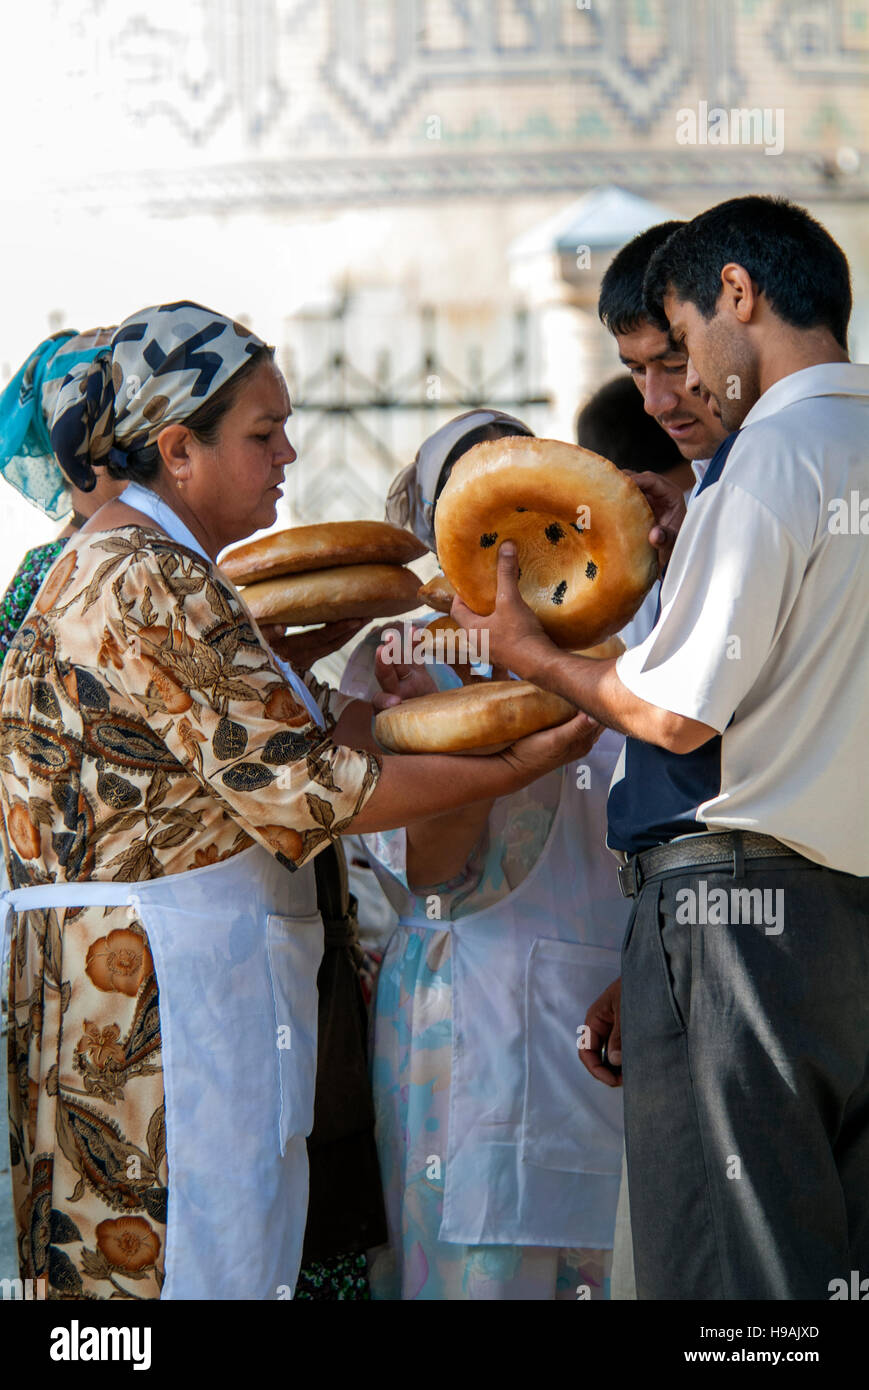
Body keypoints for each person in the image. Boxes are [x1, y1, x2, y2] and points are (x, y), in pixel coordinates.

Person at [0, 303, 599, 1300]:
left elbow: (313, 733)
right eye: (261, 432)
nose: (289, 452)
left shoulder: (131, 563)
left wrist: (491, 700)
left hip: (121, 997)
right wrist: (525, 754)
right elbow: (316, 788)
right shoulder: (148, 577)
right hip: (146, 1024)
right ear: (177, 446)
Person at [451, 197, 869, 1300]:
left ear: (736, 296)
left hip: (741, 926)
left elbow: (676, 717)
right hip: (828, 924)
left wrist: (530, 654)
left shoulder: (771, 458)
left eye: (678, 344)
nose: (670, 387)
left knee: (731, 1269)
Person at [342, 411, 632, 1300]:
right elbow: (429, 874)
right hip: (461, 1036)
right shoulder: (396, 663)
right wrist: (473, 738)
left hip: (609, 1024)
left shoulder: (624, 652)